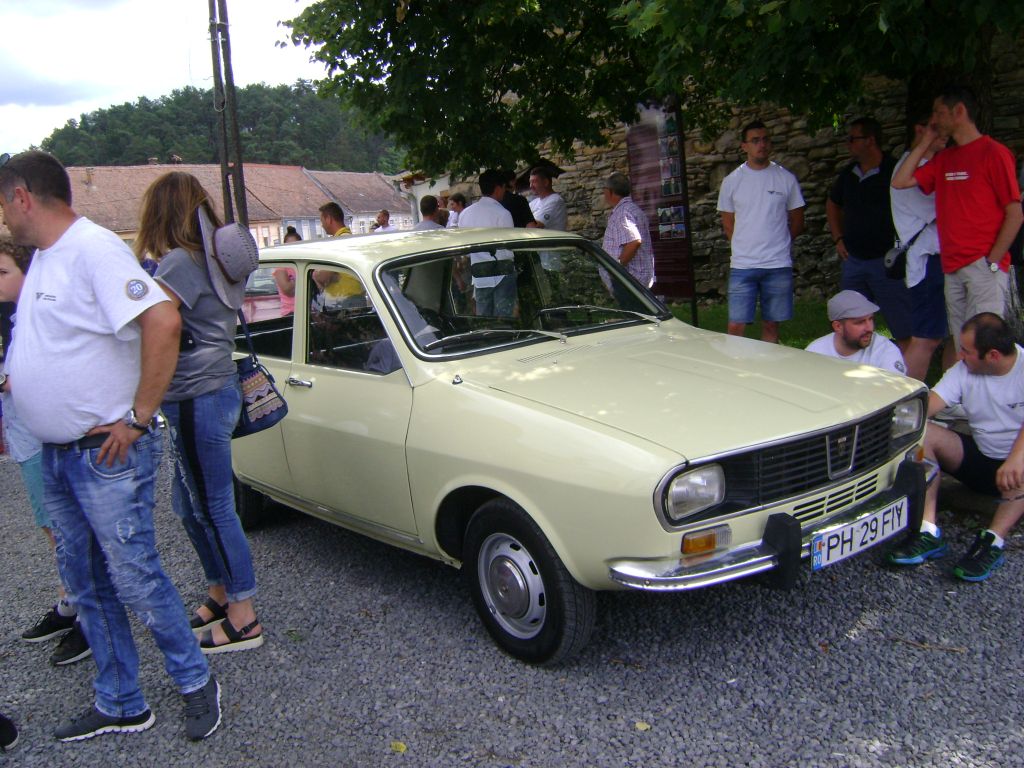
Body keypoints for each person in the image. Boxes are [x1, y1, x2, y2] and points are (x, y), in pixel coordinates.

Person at [0, 151, 220, 742]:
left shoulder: (93, 249)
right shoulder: (46, 257)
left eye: (2, 203)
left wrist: (138, 418)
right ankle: (122, 700)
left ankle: (196, 682)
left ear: (22, 196)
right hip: (59, 454)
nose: (2, 218)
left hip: (106, 454)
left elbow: (163, 322)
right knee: (87, 582)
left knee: (135, 577)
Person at [0, 237, 92, 666]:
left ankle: (87, 620)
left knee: (63, 530)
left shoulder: (35, 312)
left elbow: (32, 370)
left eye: (3, 273)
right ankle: (69, 602)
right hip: (22, 434)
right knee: (48, 524)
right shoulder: (8, 312)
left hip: (42, 431)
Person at [887, 313, 1024, 582]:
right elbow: (928, 407)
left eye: (967, 351)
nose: (960, 356)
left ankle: (993, 540)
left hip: (1018, 466)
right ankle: (927, 531)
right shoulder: (965, 370)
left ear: (993, 355)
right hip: (982, 459)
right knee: (923, 434)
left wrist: (1016, 458)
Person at [891, 85, 1023, 351]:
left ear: (959, 111)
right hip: (951, 266)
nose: (934, 120)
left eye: (939, 113)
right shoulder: (945, 158)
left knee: (987, 344)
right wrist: (926, 139)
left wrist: (993, 260)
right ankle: (967, 393)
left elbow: (1015, 212)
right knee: (964, 345)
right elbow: (900, 181)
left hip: (982, 264)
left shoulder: (993, 153)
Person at [717, 120, 805, 343]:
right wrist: (743, 245)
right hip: (743, 264)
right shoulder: (732, 181)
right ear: (744, 146)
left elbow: (797, 218)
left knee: (771, 324)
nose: (762, 144)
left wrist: (781, 242)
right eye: (755, 140)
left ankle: (769, 370)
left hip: (776, 264)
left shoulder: (785, 178)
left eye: (765, 139)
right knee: (736, 325)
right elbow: (728, 223)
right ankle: (736, 369)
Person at [827, 117, 912, 349]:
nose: (849, 143)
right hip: (854, 260)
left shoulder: (893, 171)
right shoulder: (849, 174)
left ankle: (905, 372)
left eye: (853, 138)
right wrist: (838, 237)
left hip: (885, 261)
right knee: (850, 323)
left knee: (902, 323)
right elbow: (833, 203)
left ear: (870, 140)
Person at [890, 114, 949, 381]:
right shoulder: (912, 171)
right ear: (921, 130)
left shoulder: (925, 165)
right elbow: (945, 211)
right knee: (926, 337)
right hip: (927, 261)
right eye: (937, 131)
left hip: (937, 260)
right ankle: (906, 400)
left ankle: (952, 397)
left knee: (949, 336)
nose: (944, 136)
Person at [805, 290, 907, 374]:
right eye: (860, 322)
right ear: (838, 326)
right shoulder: (815, 353)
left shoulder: (885, 351)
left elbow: (897, 393)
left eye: (871, 319)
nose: (869, 328)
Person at [459, 169, 516, 316]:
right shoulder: (502, 214)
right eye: (504, 187)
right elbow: (509, 246)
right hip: (502, 273)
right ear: (498, 188)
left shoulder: (465, 214)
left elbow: (464, 247)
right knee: (504, 320)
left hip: (479, 274)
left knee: (484, 320)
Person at [602, 172, 655, 291]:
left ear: (610, 191)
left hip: (629, 281)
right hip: (636, 280)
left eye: (604, 189)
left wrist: (615, 269)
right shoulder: (634, 209)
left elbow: (634, 241)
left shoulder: (622, 213)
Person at [529, 166, 568, 232]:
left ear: (546, 182)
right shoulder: (534, 202)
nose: (531, 186)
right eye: (530, 182)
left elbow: (535, 226)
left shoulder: (555, 201)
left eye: (534, 182)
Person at [274, 227, 300, 315]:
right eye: (289, 246)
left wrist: (293, 281)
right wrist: (302, 278)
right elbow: (288, 290)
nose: (292, 250)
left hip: (309, 310)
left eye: (295, 246)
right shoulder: (281, 266)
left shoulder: (306, 263)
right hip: (289, 313)